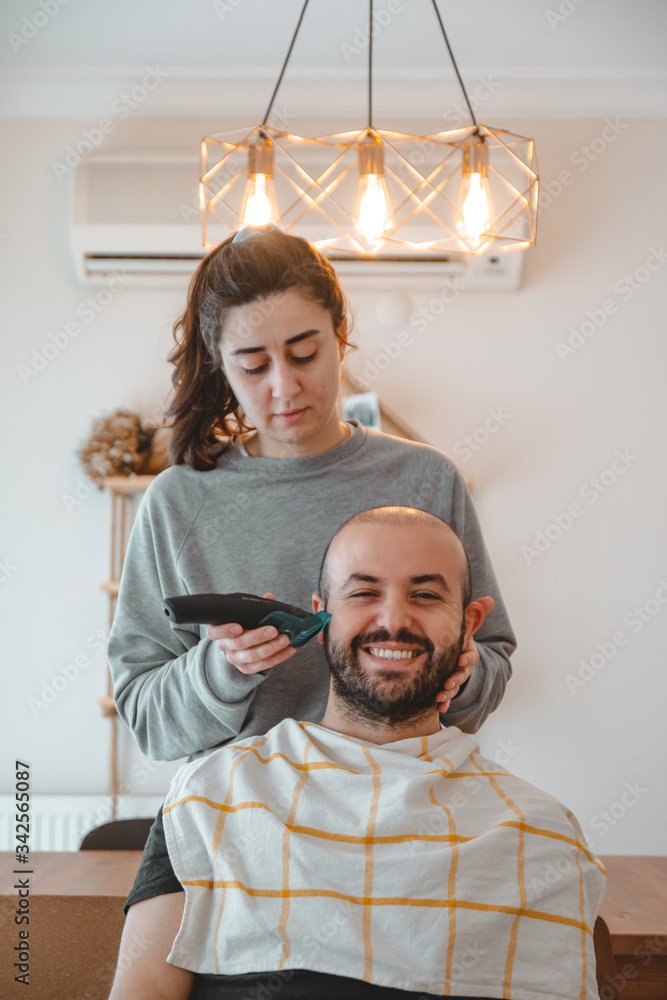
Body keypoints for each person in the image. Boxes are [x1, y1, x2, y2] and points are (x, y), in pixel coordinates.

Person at [106, 225, 517, 991]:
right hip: (226, 823)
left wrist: (453, 672)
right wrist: (219, 672)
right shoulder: (178, 503)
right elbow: (149, 716)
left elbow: (490, 661)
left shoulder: (426, 480)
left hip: (397, 816)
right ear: (219, 365)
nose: (283, 388)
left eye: (304, 352)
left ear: (340, 334)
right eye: (252, 364)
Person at [110, 508, 605, 1000]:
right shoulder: (212, 796)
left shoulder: (540, 833)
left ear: (470, 623)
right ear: (320, 617)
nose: (393, 620)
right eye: (364, 593)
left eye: (427, 595)